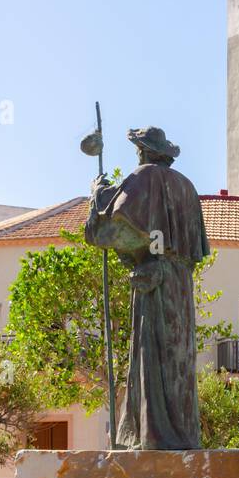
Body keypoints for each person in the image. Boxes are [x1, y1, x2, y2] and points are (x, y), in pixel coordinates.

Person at [85, 126, 209, 450]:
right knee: (177, 361)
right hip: (180, 287)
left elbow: (117, 228)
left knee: (152, 355)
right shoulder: (188, 188)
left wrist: (98, 193)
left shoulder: (146, 177)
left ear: (142, 151)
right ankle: (180, 436)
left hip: (154, 280)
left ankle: (153, 437)